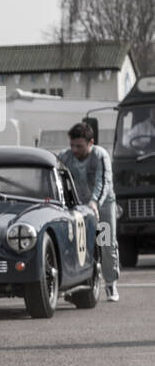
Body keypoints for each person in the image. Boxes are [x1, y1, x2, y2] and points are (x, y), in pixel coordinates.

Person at [59, 121, 119, 301]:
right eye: (72, 145)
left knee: (106, 243)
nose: (75, 149)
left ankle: (110, 283)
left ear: (90, 143)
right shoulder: (64, 157)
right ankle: (77, 284)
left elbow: (103, 182)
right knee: (78, 245)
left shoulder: (100, 156)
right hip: (78, 207)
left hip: (103, 205)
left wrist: (94, 203)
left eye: (79, 146)